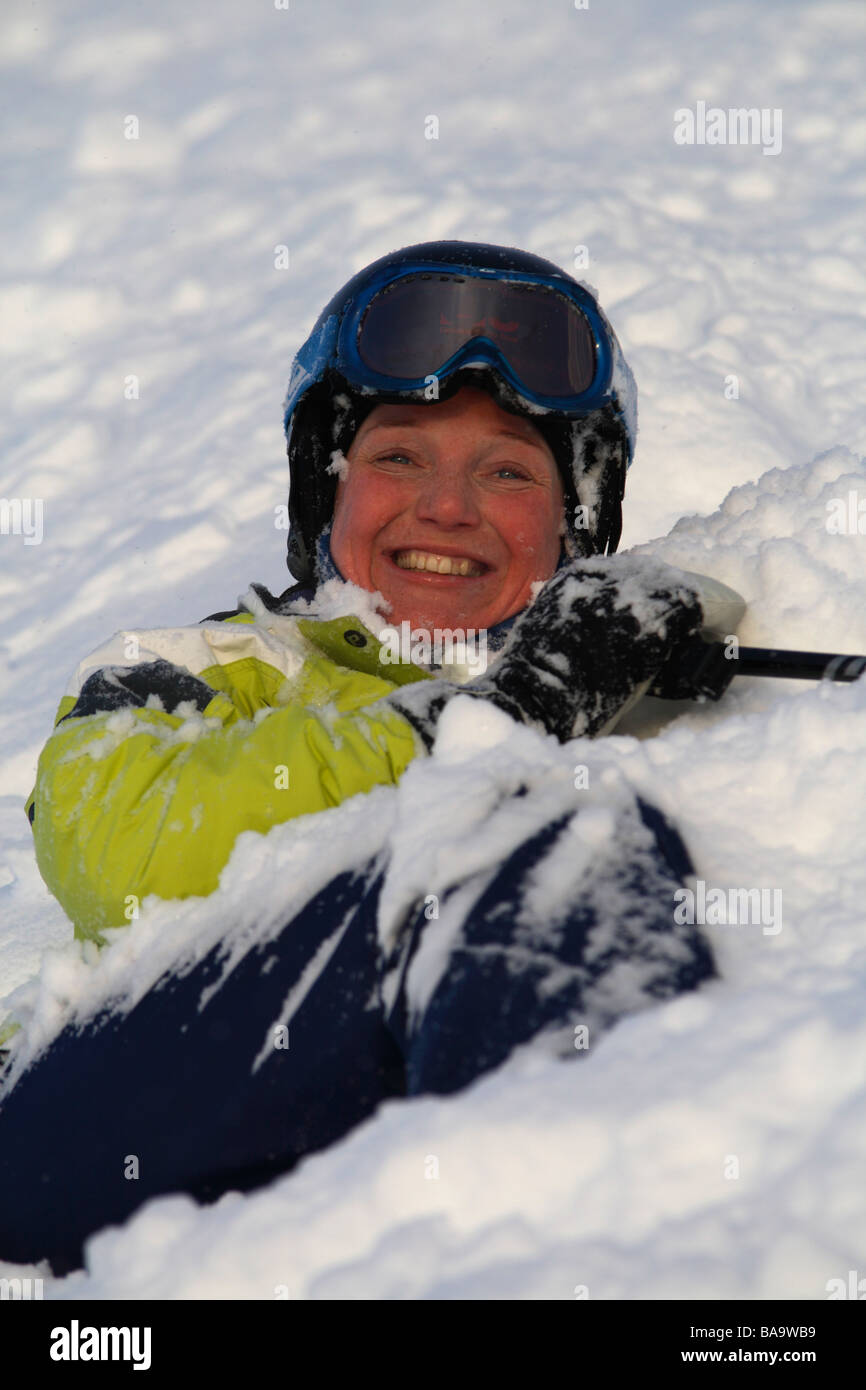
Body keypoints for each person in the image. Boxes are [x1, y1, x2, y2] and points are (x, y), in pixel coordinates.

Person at [0, 241, 734, 1274]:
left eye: (509, 470)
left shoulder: (626, 705)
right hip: (97, 1120)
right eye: (397, 456)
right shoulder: (191, 664)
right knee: (541, 829)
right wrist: (498, 716)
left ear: (572, 528)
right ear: (325, 489)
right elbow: (125, 852)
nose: (446, 505)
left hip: (348, 1220)